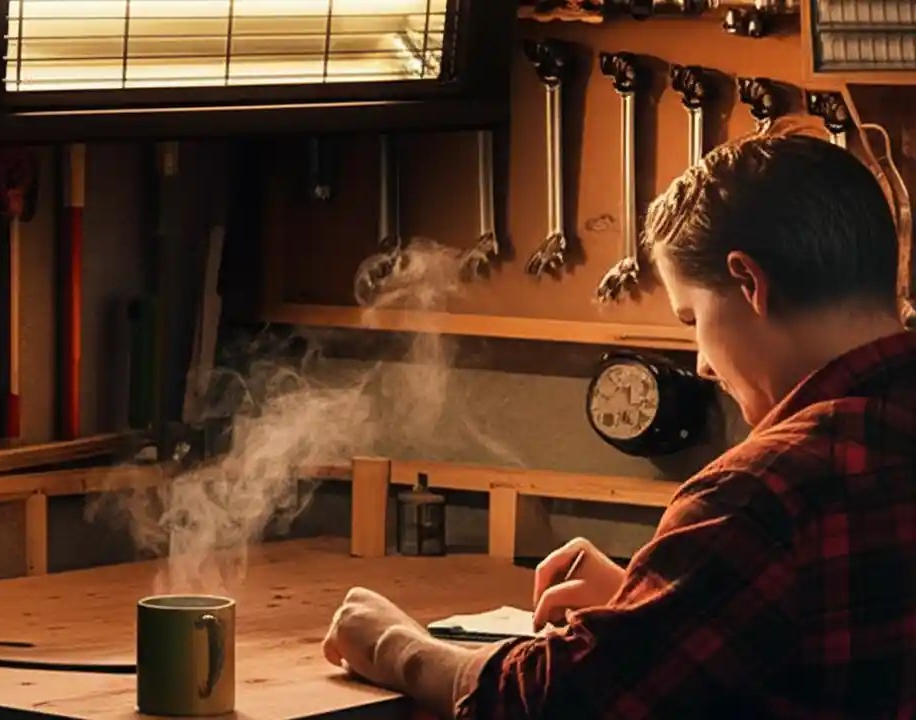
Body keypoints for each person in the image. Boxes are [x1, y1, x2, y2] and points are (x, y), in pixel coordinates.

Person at [321, 122, 916, 718]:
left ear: (749, 282)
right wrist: (650, 603)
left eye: (692, 321)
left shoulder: (761, 495)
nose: (704, 365)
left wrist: (394, 646)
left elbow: (557, 704)